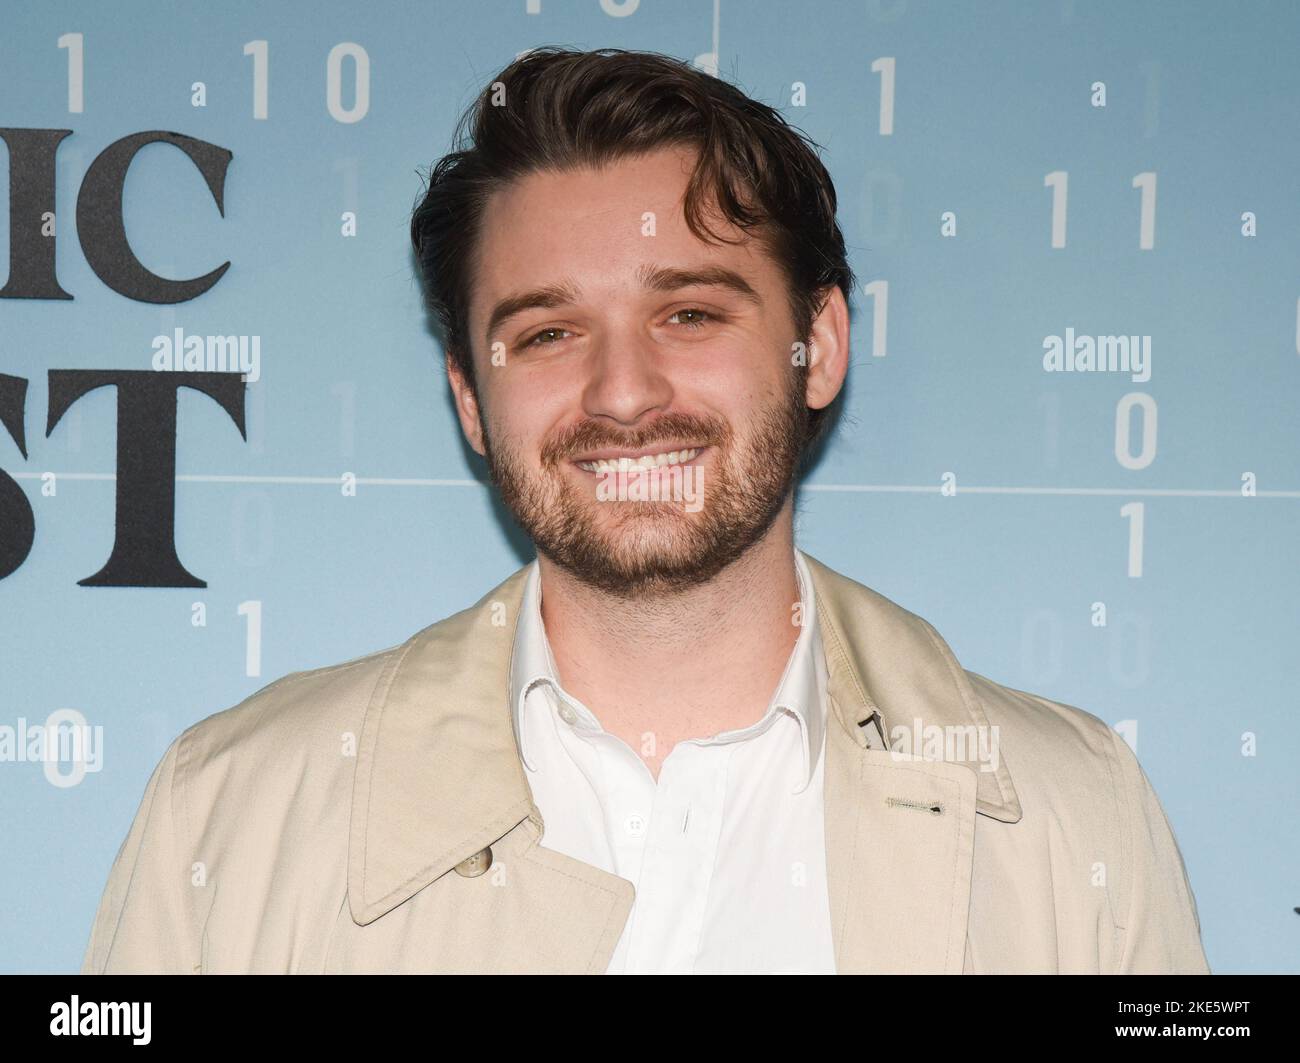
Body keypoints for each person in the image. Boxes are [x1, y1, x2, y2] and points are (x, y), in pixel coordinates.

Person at [82, 46, 1209, 974]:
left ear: (820, 348)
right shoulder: (228, 814)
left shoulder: (1074, 816)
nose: (623, 394)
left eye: (690, 315)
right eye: (547, 333)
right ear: (472, 401)